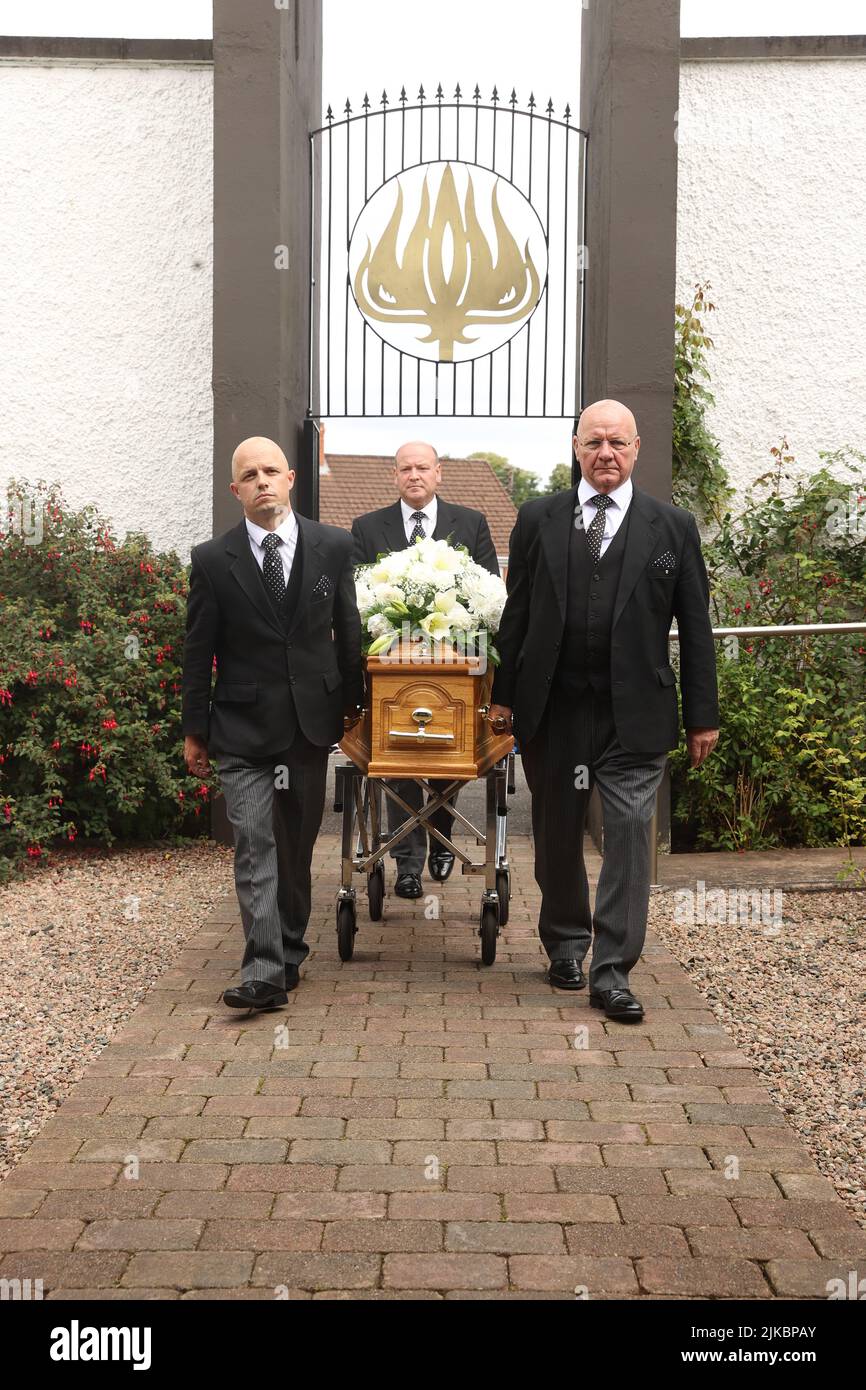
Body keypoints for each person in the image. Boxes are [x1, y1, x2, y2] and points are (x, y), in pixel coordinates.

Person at [487, 400, 719, 1022]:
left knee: (629, 839)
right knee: (557, 834)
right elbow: (517, 614)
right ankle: (566, 942)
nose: (606, 453)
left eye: (617, 442)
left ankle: (612, 971)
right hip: (554, 710)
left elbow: (696, 628)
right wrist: (503, 696)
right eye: (594, 442)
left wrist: (702, 715)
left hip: (634, 715)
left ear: (636, 448)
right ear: (576, 448)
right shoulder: (537, 519)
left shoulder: (673, 527)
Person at [182, 437, 363, 1012]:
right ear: (235, 489)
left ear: (290, 478)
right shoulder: (213, 560)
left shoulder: (334, 546)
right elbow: (197, 652)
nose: (261, 481)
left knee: (295, 848)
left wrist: (355, 709)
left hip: (310, 725)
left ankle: (288, 950)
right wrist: (194, 729)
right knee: (255, 844)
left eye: (270, 471)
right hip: (240, 727)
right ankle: (262, 970)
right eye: (249, 475)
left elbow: (349, 631)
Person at [351, 440, 499, 898]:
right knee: (398, 758)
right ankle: (407, 862)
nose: (414, 475)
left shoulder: (471, 523)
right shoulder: (367, 527)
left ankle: (441, 835)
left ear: (438, 473)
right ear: (394, 476)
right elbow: (354, 596)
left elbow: (490, 593)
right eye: (405, 469)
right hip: (390, 672)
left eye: (422, 468)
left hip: (453, 671)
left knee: (448, 753)